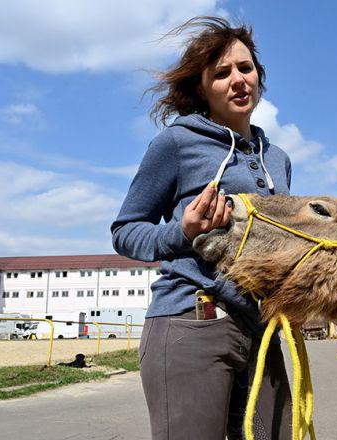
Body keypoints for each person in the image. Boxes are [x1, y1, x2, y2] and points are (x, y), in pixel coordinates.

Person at [111, 16, 292, 440]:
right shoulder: (176, 143)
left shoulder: (278, 159)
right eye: (222, 73)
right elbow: (126, 230)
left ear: (259, 79)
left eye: (245, 69)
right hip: (190, 321)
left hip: (262, 332)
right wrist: (183, 232)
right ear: (202, 88)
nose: (238, 80)